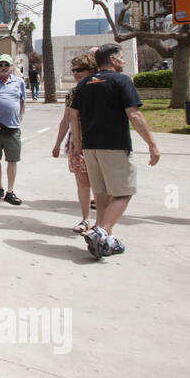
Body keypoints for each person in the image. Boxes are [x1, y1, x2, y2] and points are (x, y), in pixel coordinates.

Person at [68, 43, 161, 259]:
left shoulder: (85, 84)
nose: (124, 61)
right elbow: (134, 115)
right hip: (115, 145)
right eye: (121, 57)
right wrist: (152, 144)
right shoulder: (121, 80)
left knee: (102, 193)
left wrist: (79, 144)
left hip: (91, 147)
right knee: (123, 192)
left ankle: (103, 236)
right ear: (112, 60)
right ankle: (100, 231)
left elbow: (73, 115)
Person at [52, 53, 98, 234]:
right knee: (82, 182)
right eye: (73, 70)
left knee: (100, 183)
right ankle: (86, 219)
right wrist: (57, 144)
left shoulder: (100, 89)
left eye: (80, 70)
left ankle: (101, 222)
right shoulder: (73, 92)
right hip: (75, 142)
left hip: (97, 140)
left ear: (92, 70)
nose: (76, 73)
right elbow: (66, 120)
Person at [0, 53, 27, 205]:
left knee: (12, 160)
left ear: (12, 67)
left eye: (6, 65)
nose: (3, 67)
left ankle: (10, 191)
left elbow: (22, 103)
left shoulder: (19, 82)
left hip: (13, 127)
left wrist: (19, 119)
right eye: (1, 64)